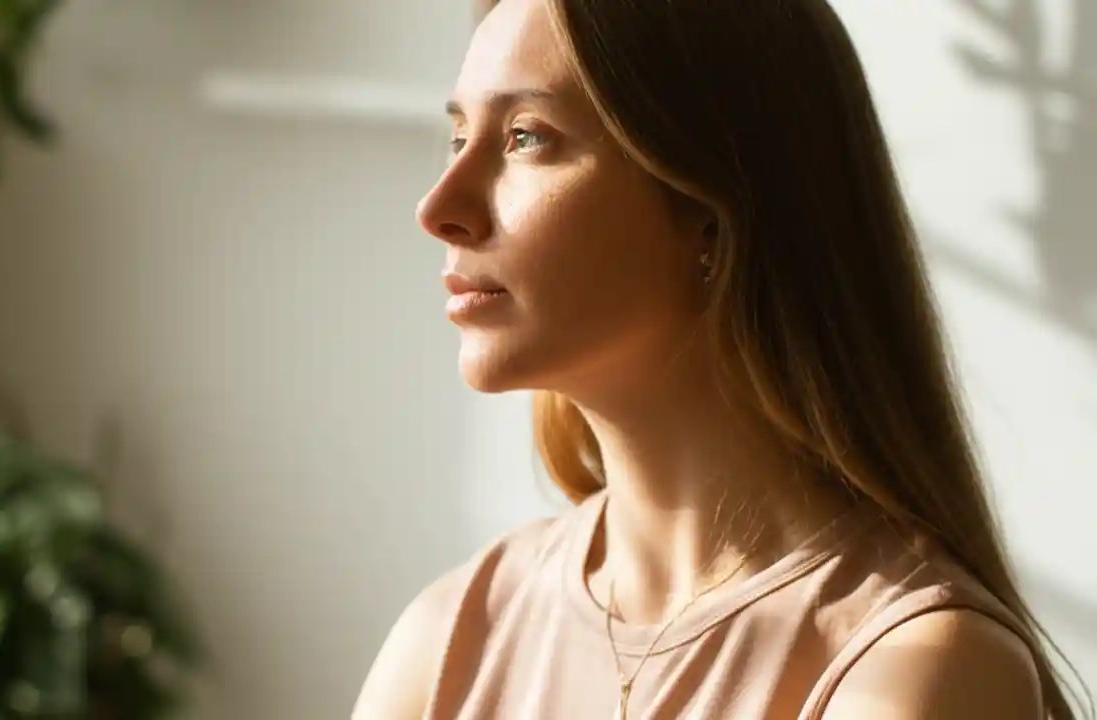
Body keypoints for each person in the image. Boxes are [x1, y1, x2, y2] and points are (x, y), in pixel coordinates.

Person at [354, 0, 1089, 718]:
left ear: (709, 214)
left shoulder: (915, 670)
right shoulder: (452, 637)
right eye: (457, 140)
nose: (439, 206)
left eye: (526, 137)